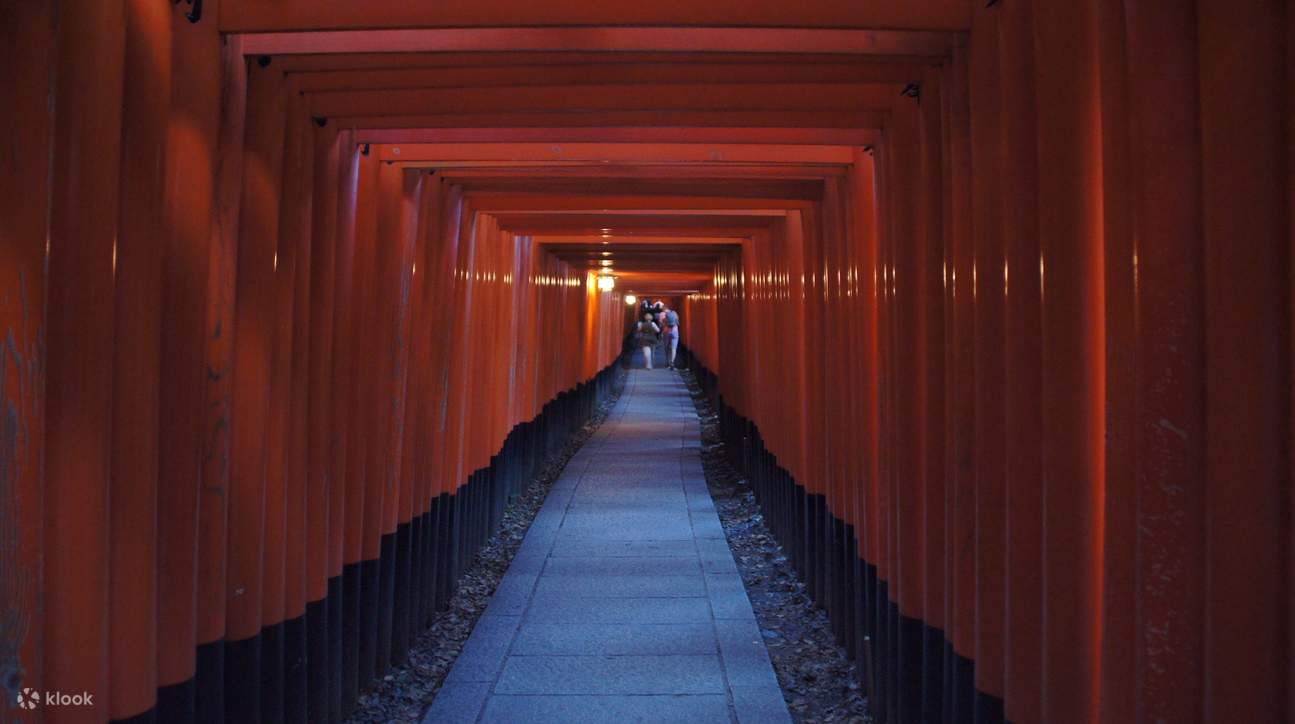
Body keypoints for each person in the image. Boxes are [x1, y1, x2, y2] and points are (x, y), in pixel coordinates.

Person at [659, 304, 681, 370]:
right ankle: (672, 362)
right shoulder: (674, 313)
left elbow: (661, 324)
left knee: (666, 347)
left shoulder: (662, 314)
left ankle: (667, 363)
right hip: (675, 331)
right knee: (673, 348)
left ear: (663, 309)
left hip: (666, 332)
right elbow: (677, 322)